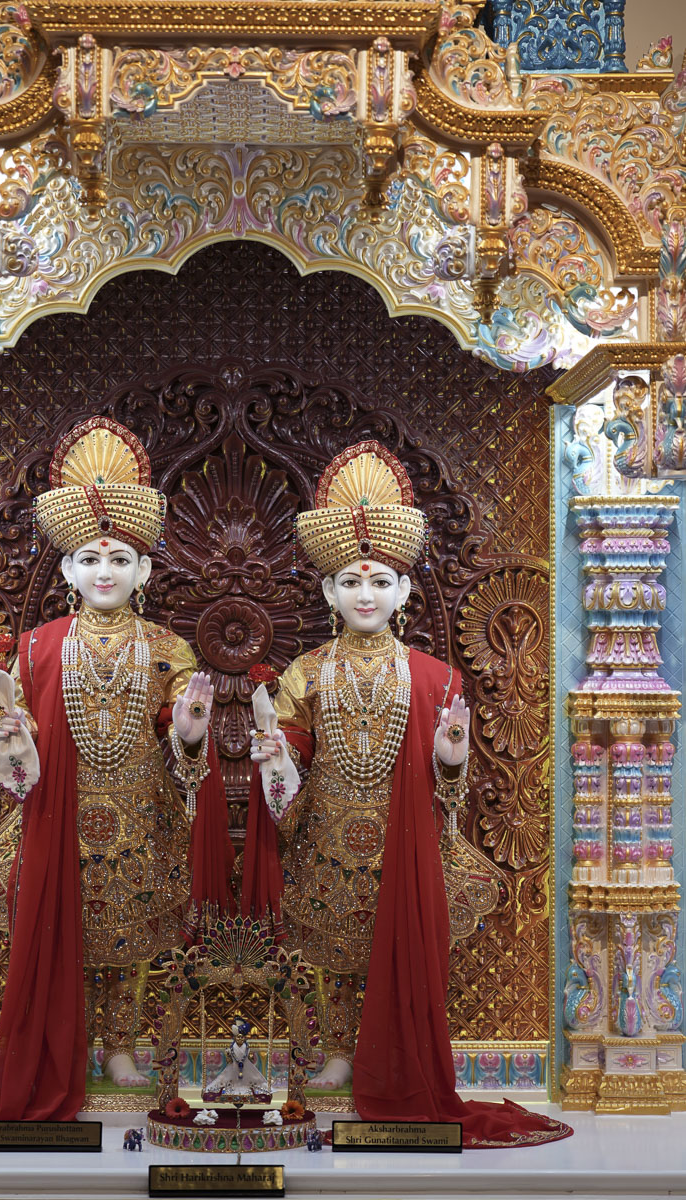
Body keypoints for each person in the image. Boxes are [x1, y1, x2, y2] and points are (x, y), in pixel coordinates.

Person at [0, 417, 232, 1145]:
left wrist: (190, 732)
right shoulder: (38, 650)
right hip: (61, 818)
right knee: (64, 931)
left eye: (119, 559)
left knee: (133, 939)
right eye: (90, 559)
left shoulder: (168, 649)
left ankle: (122, 1047)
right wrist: (15, 739)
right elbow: (20, 754)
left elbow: (184, 746)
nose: (105, 572)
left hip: (142, 815)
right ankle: (64, 1047)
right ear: (69, 570)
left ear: (143, 571)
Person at [242, 440, 571, 1148]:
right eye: (351, 581)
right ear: (328, 593)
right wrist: (277, 756)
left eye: (380, 581)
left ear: (404, 591)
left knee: (393, 947)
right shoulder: (307, 671)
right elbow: (294, 748)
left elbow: (449, 780)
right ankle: (338, 1054)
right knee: (332, 951)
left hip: (403, 838)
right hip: (326, 832)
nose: (365, 594)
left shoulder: (434, 677)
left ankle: (394, 1060)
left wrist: (450, 761)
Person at [204, 1019, 270, 1101]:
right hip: (233, 1069)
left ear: (244, 1038)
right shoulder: (231, 1049)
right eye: (238, 1037)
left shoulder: (247, 1049)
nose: (240, 1039)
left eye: (242, 1037)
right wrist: (228, 1056)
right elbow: (229, 1061)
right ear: (235, 1038)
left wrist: (251, 1057)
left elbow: (251, 1060)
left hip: (246, 1069)